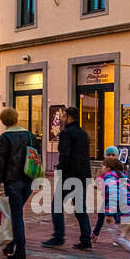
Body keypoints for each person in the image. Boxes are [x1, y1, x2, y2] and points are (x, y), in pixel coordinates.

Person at [43, 106, 92, 250]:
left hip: (70, 175)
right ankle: (86, 240)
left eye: (63, 116)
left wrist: (60, 168)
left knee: (56, 206)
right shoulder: (83, 133)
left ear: (69, 117)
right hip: (83, 175)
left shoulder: (66, 134)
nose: (62, 118)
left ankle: (58, 237)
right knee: (80, 208)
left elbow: (65, 155)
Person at [0, 107, 34, 259]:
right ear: (17, 117)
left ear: (3, 121)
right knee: (16, 213)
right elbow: (35, 156)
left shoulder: (5, 138)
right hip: (28, 179)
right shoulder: (29, 135)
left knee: (16, 215)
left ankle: (20, 250)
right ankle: (11, 245)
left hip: (13, 181)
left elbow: (0, 163)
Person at [91, 145, 121, 240]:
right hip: (107, 197)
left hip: (116, 197)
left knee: (116, 217)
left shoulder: (118, 168)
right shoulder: (104, 168)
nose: (111, 157)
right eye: (108, 154)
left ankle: (119, 235)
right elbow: (99, 178)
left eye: (113, 155)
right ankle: (95, 234)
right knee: (101, 215)